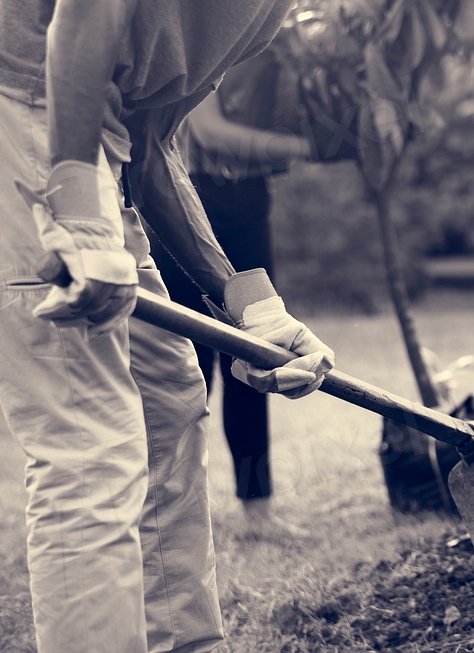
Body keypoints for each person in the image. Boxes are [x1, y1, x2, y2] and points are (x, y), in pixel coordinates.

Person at [0, 1, 333, 651]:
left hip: (101, 139)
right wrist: (73, 205)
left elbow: (150, 142)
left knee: (168, 405)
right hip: (21, 99)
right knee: (89, 433)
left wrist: (249, 304)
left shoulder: (267, 12)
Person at [153, 51, 315, 538]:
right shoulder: (204, 35)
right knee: (191, 368)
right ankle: (176, 515)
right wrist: (298, 148)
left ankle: (257, 511)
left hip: (248, 204)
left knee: (254, 358)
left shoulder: (280, 47)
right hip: (189, 206)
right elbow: (208, 131)